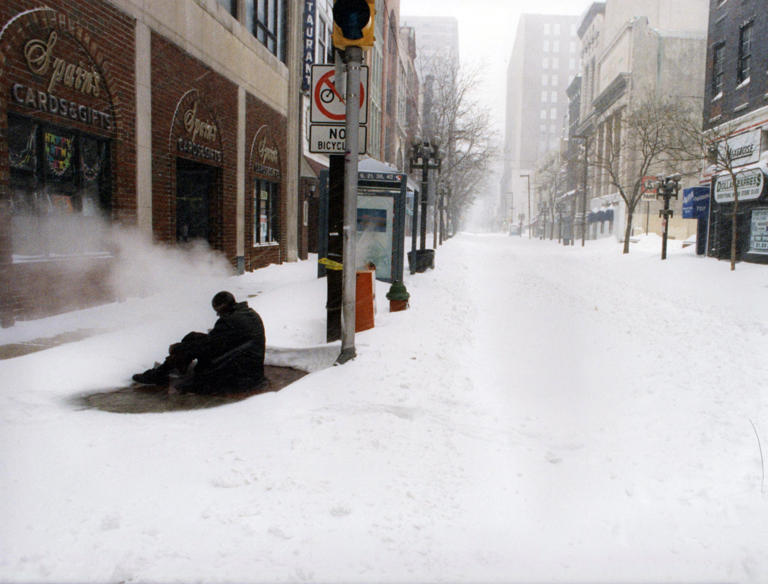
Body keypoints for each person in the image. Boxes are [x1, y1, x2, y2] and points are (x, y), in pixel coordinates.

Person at [132, 291, 266, 394]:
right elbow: (216, 341)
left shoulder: (230, 321)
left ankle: (162, 372)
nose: (217, 315)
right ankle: (170, 367)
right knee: (193, 337)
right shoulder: (246, 313)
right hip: (248, 366)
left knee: (190, 351)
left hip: (239, 375)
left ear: (223, 308)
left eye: (218, 312)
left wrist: (179, 348)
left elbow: (209, 346)